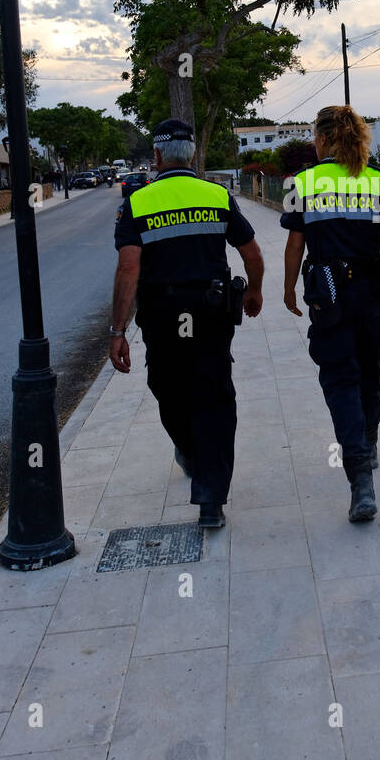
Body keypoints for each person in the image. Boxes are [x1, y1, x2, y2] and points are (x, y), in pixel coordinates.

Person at [281, 104, 380, 523]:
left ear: (324, 140)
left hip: (328, 296)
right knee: (368, 371)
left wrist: (288, 288)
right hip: (372, 295)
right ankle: (368, 440)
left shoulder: (302, 183)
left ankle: (360, 480)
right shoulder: (379, 181)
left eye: (316, 137)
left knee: (339, 378)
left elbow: (296, 244)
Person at [109, 118, 264, 529]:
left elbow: (128, 270)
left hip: (163, 317)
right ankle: (211, 496)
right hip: (211, 312)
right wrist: (254, 291)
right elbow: (252, 254)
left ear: (157, 156)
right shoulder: (217, 195)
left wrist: (118, 331)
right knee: (214, 397)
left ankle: (193, 459)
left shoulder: (137, 203)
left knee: (169, 391)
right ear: (192, 155)